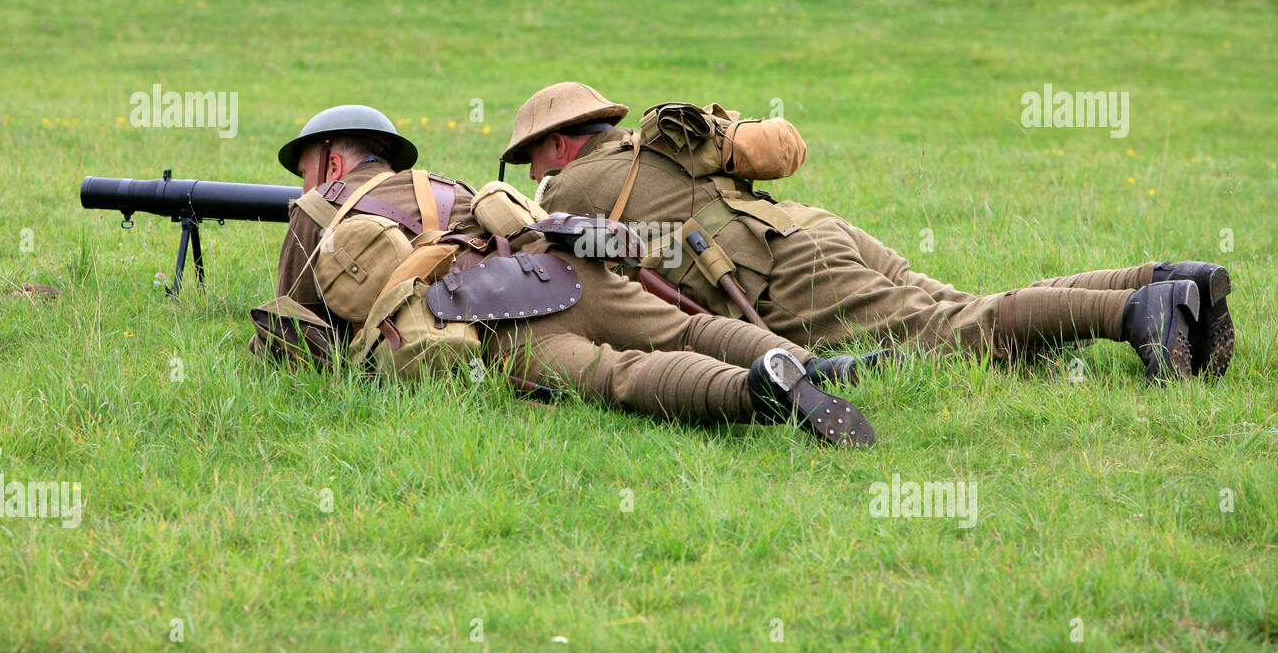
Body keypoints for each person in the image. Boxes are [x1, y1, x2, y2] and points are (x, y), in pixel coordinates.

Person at [502, 82, 1234, 383]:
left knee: (951, 332)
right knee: (964, 307)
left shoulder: (570, 187)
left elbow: (549, 259)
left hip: (777, 272)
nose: (533, 171)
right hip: (809, 229)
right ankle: (1170, 280)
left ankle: (1137, 314)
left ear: (560, 143)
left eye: (532, 156)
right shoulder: (648, 145)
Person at [265, 103, 888, 446]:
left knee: (620, 376)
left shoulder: (316, 211)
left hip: (492, 314)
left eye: (306, 168)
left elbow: (293, 333)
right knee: (686, 332)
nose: (304, 181)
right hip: (565, 266)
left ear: (333, 161)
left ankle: (756, 391)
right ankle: (808, 363)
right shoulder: (445, 186)